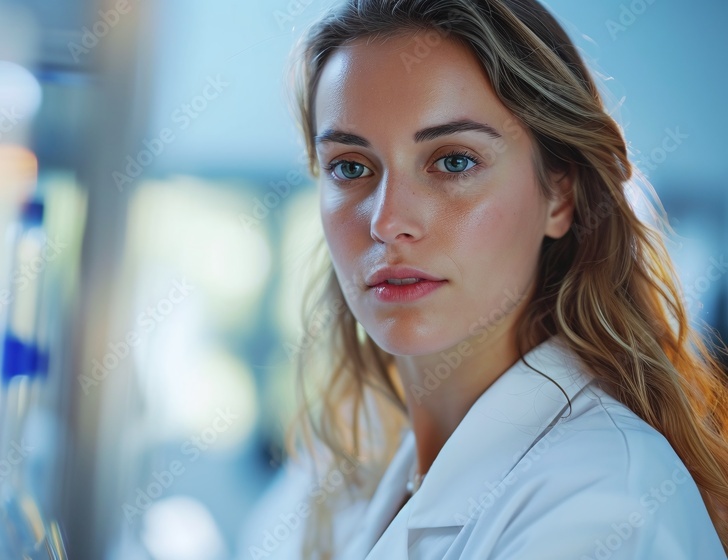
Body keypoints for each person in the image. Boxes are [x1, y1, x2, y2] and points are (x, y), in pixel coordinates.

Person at [241, 0, 728, 558]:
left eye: (453, 161)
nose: (387, 220)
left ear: (559, 195)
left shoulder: (602, 501)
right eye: (351, 167)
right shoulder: (380, 485)